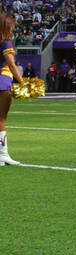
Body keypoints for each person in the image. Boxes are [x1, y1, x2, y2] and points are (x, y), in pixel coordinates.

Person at [0, 12, 25, 165]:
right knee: (1, 119)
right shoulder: (6, 43)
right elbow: (11, 64)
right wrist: (22, 83)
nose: (13, 29)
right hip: (3, 82)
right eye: (11, 26)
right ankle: (3, 154)